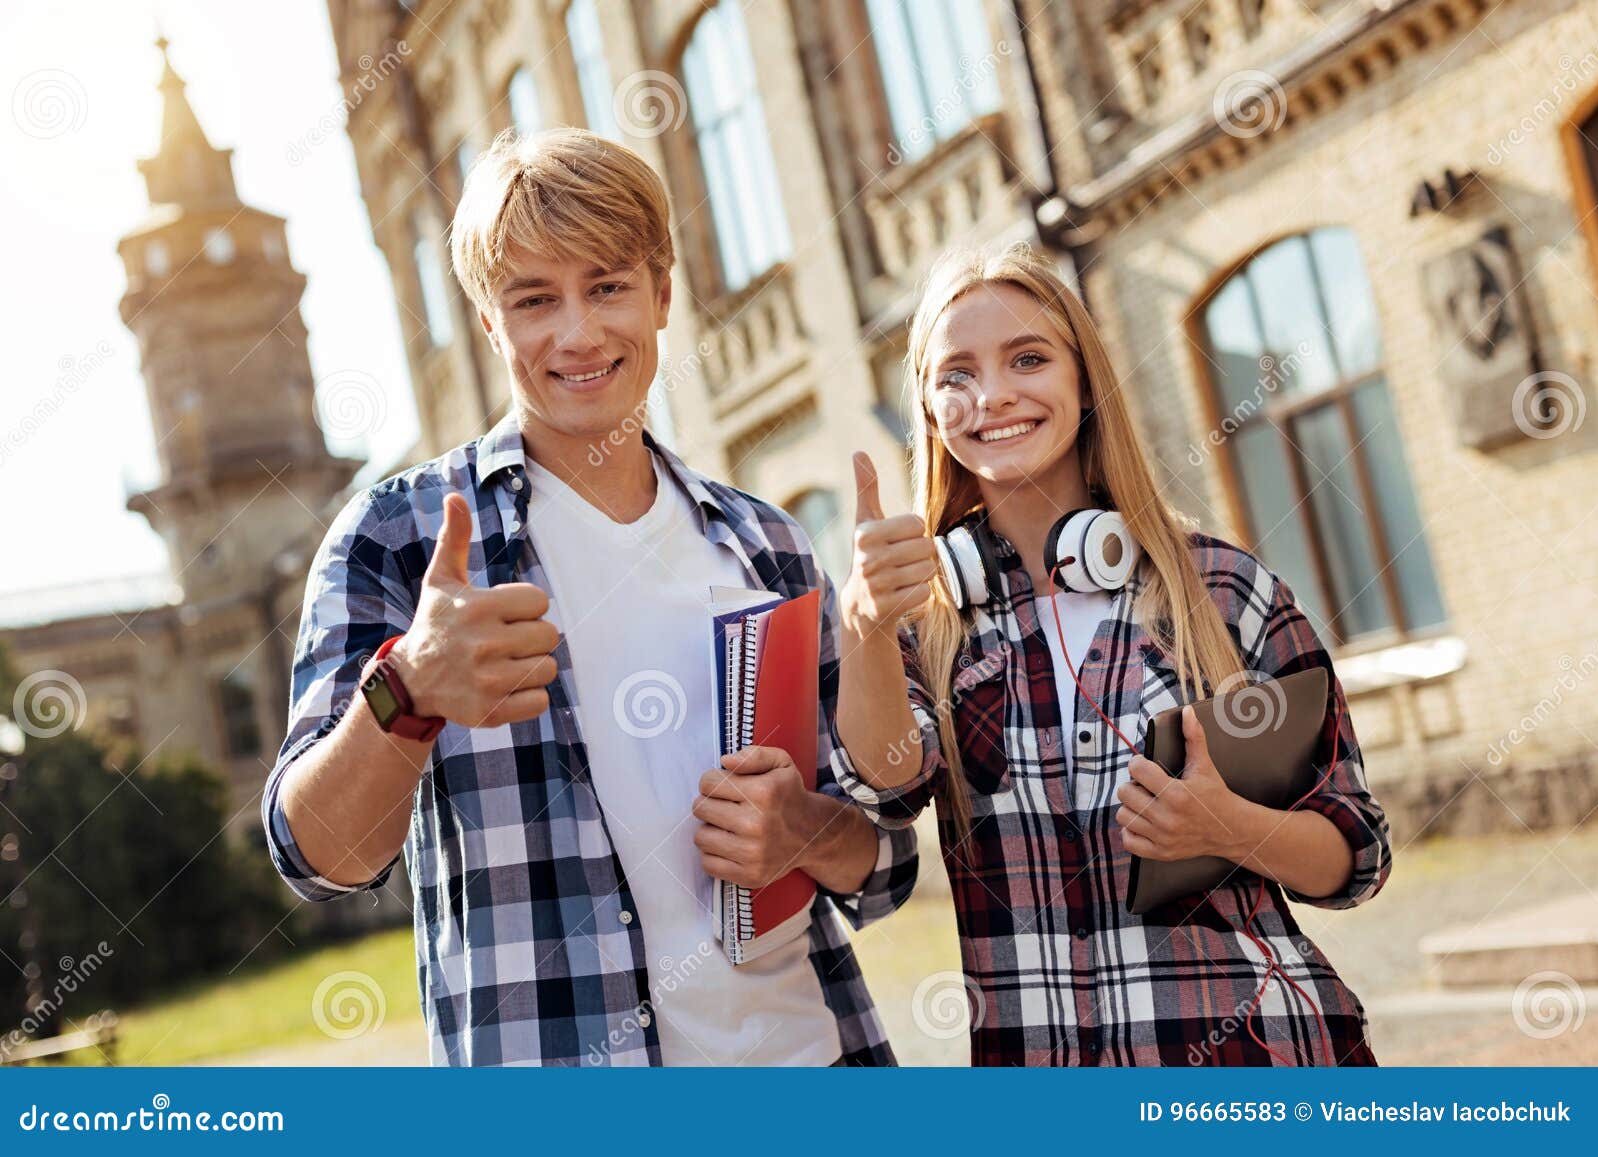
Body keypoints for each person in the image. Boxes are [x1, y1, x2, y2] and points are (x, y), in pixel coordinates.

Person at [262, 128, 917, 1066]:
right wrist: (405, 693)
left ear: (661, 294)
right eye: (535, 299)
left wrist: (805, 828)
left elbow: (885, 865)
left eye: (607, 285)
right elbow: (319, 855)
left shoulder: (765, 543)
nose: (577, 333)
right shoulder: (398, 540)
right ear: (491, 323)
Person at [833, 242, 1390, 1066]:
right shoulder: (923, 626)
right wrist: (866, 626)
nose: (992, 395)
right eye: (956, 373)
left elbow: (1357, 855)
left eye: (1028, 357)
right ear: (927, 407)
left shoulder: (1225, 591)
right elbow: (885, 785)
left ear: (1085, 383)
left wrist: (1229, 826)